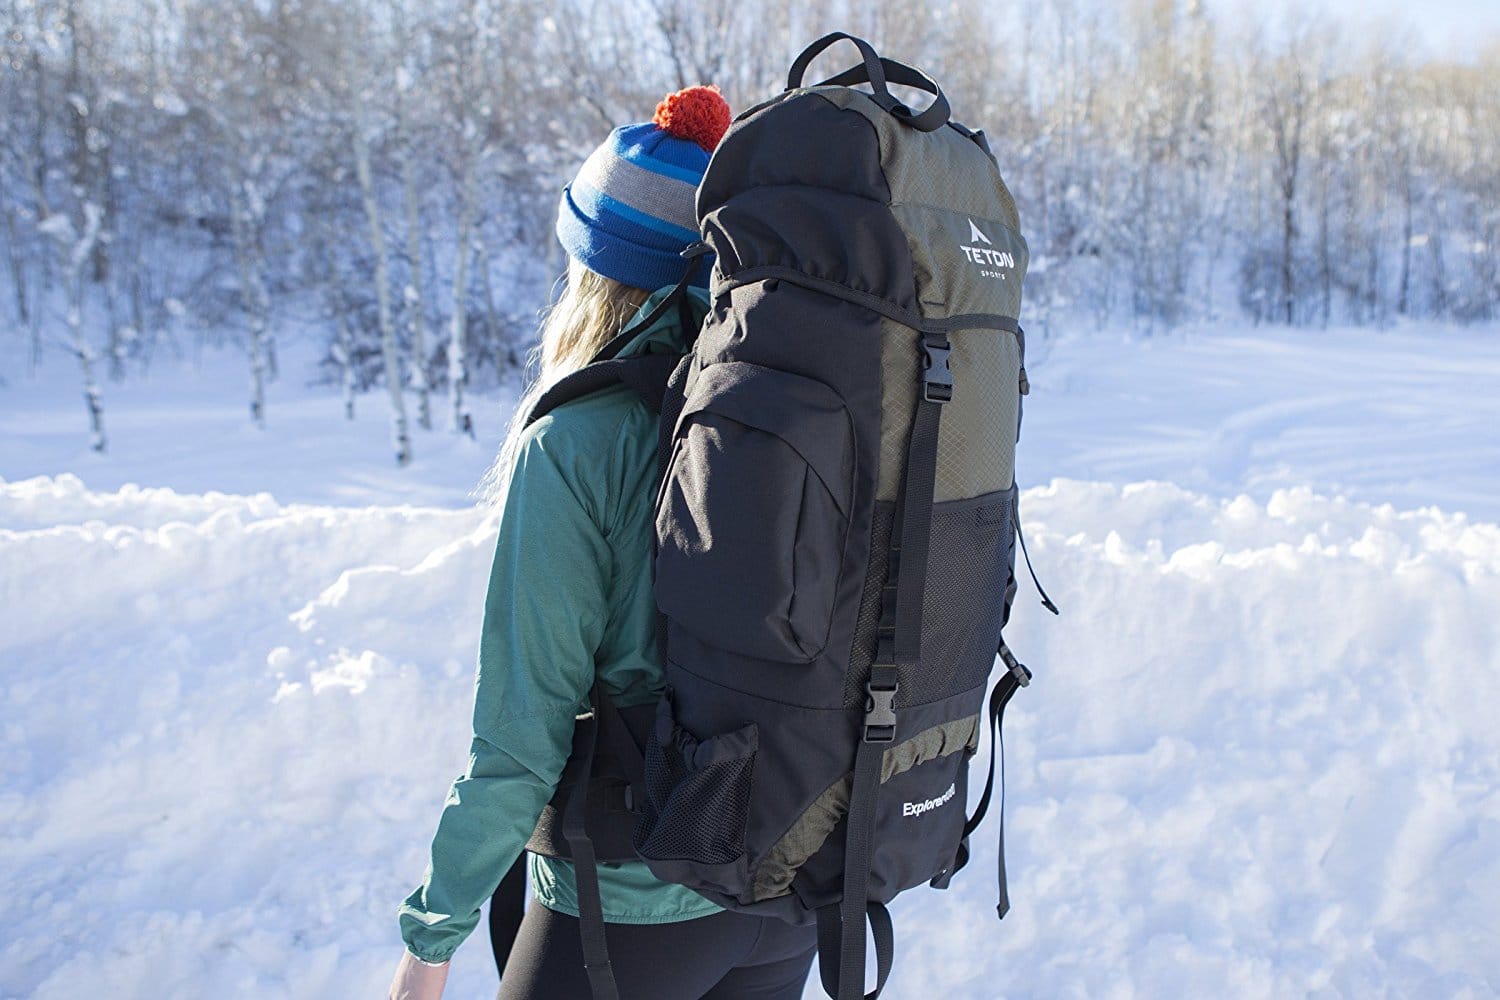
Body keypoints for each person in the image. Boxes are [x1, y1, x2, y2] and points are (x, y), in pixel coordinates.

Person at [387, 85, 819, 1000]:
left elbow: (520, 737)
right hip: (784, 887)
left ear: (598, 270)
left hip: (628, 901)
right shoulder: (792, 414)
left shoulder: (577, 442)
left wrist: (431, 941)